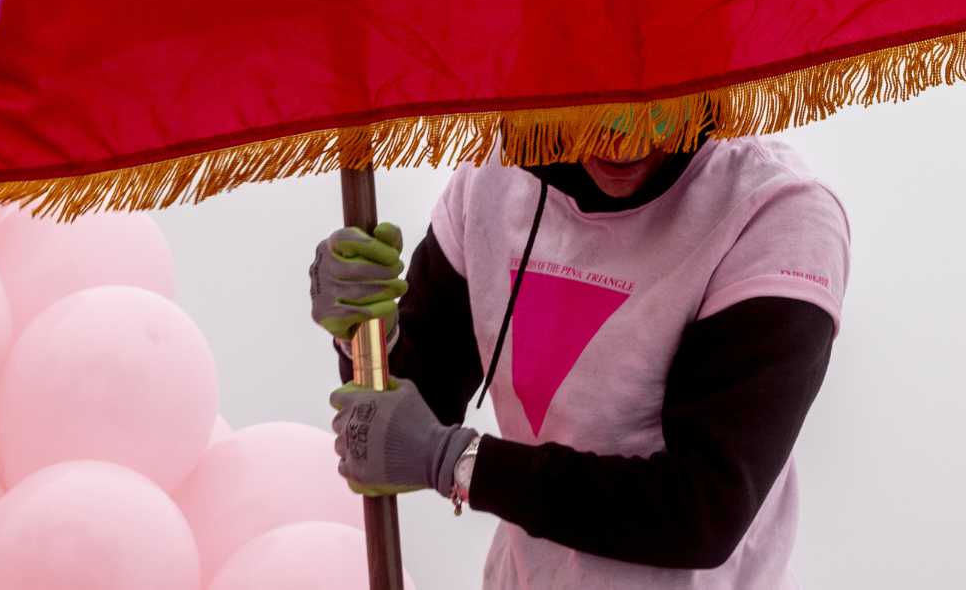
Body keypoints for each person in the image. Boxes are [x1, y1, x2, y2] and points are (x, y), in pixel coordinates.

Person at [316, 109, 850, 587]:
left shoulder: (778, 213)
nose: (622, 143)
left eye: (651, 108)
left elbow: (702, 507)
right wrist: (364, 332)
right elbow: (412, 411)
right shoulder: (490, 180)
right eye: (598, 111)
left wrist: (457, 462)